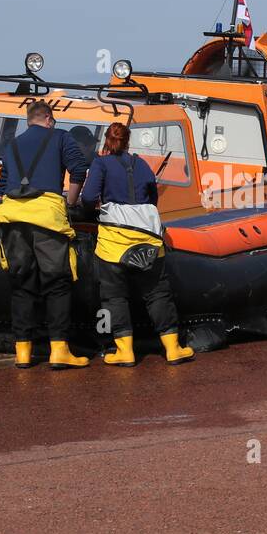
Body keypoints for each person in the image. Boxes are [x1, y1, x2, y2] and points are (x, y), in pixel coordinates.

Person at [80, 122, 195, 367]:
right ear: (128, 141)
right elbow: (152, 197)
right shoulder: (141, 163)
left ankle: (124, 351)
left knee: (114, 298)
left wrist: (93, 209)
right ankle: (173, 349)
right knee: (158, 295)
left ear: (106, 142)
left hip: (114, 245)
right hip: (149, 241)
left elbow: (88, 198)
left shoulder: (100, 163)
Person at [0, 101, 90, 369]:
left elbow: (4, 182)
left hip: (11, 217)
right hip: (47, 219)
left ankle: (22, 351)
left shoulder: (13, 144)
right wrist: (72, 202)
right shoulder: (61, 137)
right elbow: (78, 169)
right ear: (49, 119)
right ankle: (59, 350)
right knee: (57, 283)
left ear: (28, 120)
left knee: (21, 284)